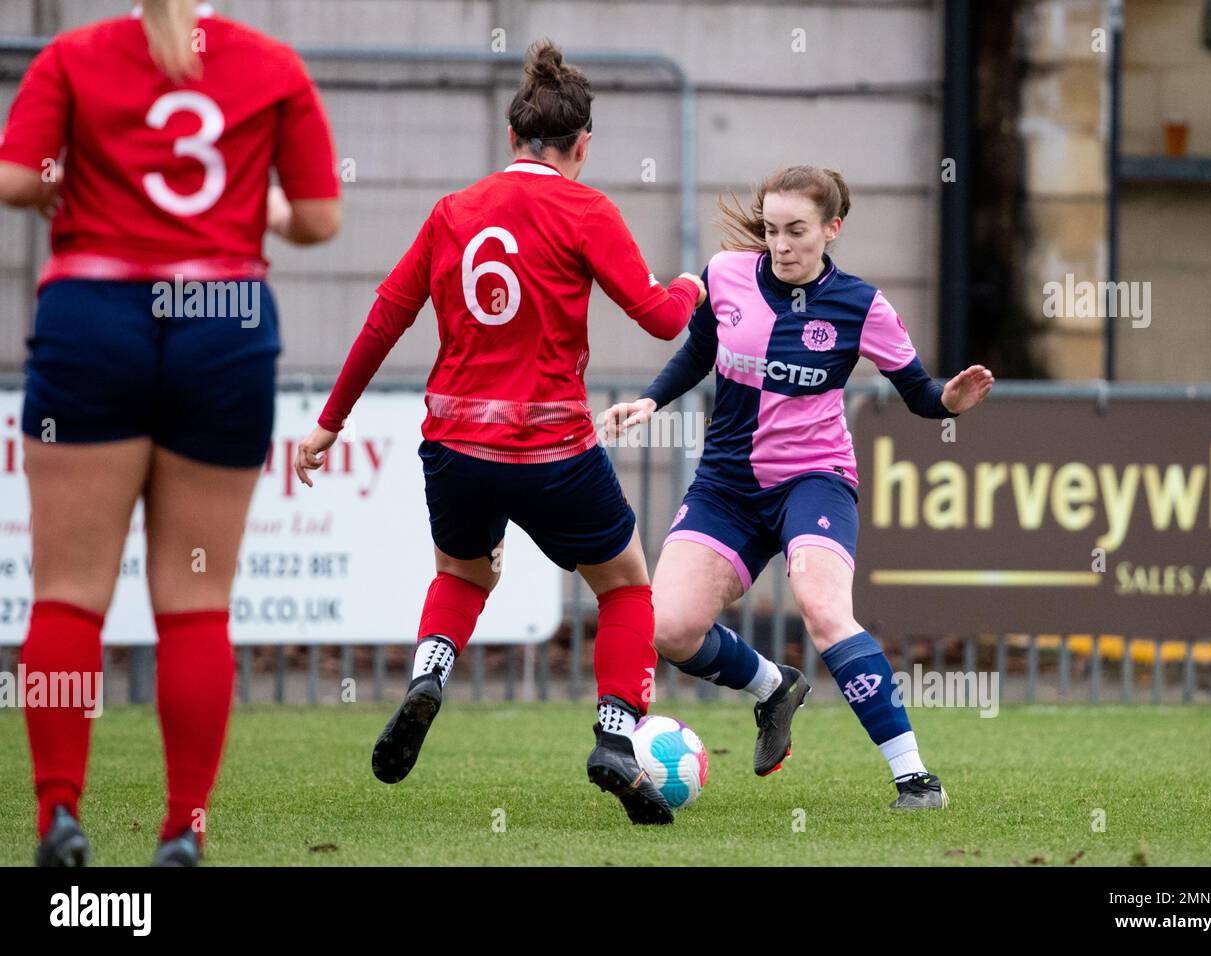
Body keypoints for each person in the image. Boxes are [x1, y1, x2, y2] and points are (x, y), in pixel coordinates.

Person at [294, 40, 706, 826]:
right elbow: (659, 318)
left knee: (463, 574)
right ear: (581, 145)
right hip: (553, 448)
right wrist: (692, 282)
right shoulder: (586, 209)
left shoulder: (453, 212)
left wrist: (327, 424)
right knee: (624, 585)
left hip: (454, 447)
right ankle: (616, 737)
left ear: (510, 140)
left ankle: (430, 675)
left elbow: (386, 317)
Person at [0, 0, 340, 865]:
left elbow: (15, 179)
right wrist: (251, 206)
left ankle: (58, 820)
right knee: (195, 605)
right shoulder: (271, 63)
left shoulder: (73, 55)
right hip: (222, 319)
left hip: (94, 311)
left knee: (69, 593)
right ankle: (182, 828)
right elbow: (318, 217)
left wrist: (66, 181)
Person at [602, 165, 994, 809]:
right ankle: (772, 688)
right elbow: (700, 350)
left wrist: (949, 400)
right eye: (772, 230)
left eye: (797, 232)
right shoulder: (727, 274)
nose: (781, 245)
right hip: (726, 484)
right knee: (668, 628)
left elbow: (921, 394)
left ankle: (914, 778)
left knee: (822, 609)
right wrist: (651, 401)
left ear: (831, 230)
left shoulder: (862, 306)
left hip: (814, 481)